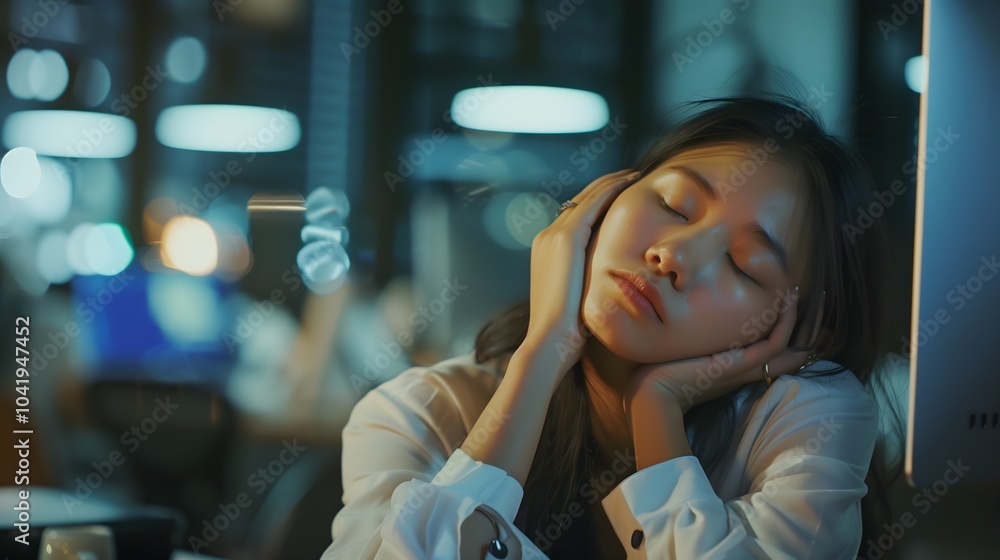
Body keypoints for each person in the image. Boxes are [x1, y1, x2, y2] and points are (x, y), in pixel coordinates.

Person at [319, 95, 902, 559]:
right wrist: (544, 351)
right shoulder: (419, 415)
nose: (674, 256)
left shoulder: (809, 420)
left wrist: (657, 414)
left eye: (743, 264)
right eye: (674, 205)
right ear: (600, 203)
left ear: (798, 329)